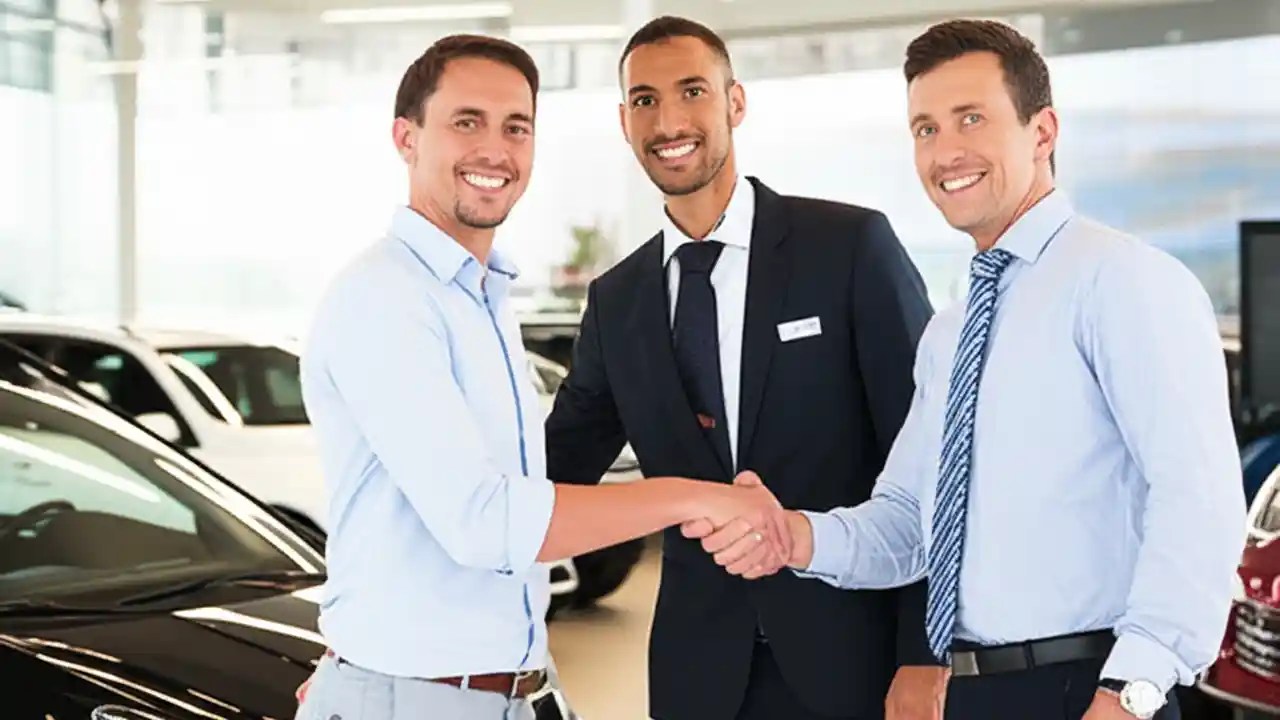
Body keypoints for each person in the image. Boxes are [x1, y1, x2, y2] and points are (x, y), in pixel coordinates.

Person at [690, 18, 1247, 720]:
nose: (944, 151)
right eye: (925, 129)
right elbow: (911, 522)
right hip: (976, 690)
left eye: (970, 119)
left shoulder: (1122, 281)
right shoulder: (952, 331)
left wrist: (1132, 691)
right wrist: (795, 537)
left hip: (1092, 687)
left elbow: (1197, 497)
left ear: (1042, 132)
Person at [293, 34, 794, 720]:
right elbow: (484, 521)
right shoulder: (384, 297)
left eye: (516, 127)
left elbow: (529, 489)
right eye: (466, 122)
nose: (495, 150)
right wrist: (697, 499)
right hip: (411, 700)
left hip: (506, 691)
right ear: (406, 138)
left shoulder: (479, 298)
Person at [544, 15, 946, 720]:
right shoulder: (618, 301)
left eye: (692, 91)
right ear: (623, 120)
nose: (668, 119)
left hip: (855, 659)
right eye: (644, 100)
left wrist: (923, 653)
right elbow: (554, 473)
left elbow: (930, 463)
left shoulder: (847, 248)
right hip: (699, 673)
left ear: (735, 102)